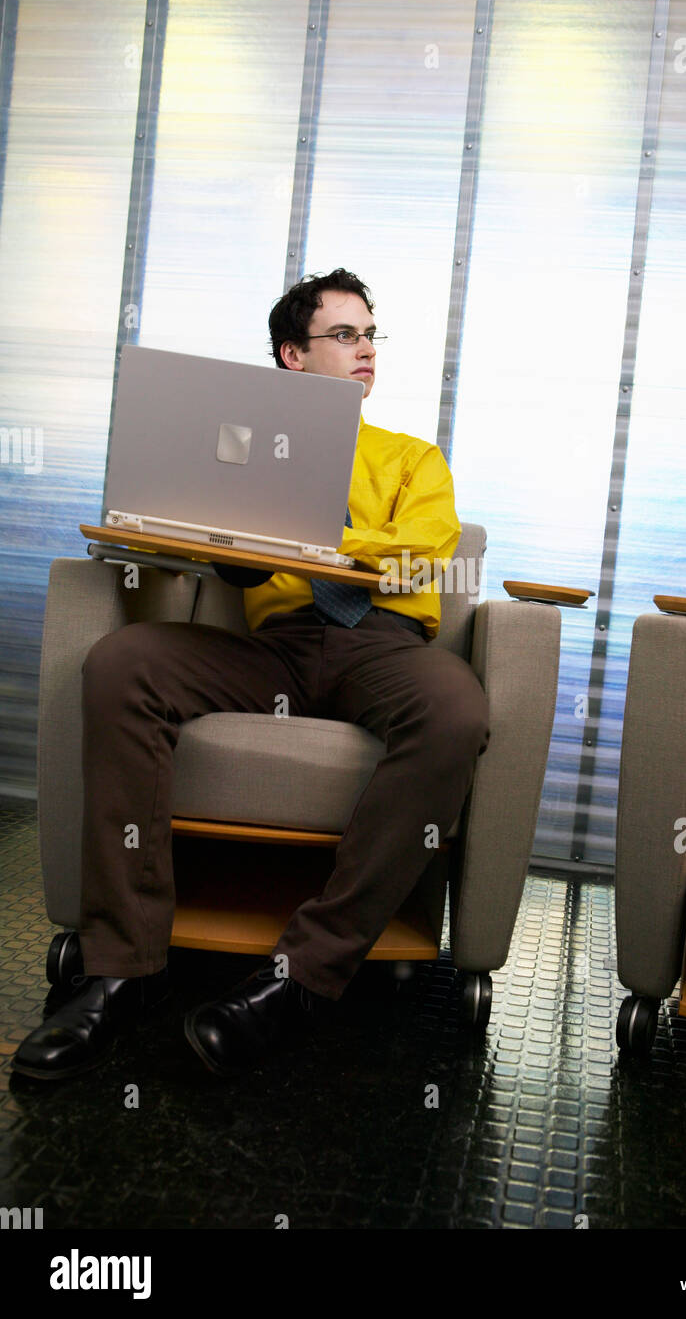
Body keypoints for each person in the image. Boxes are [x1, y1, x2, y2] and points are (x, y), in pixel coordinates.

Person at [12, 268, 490, 1081]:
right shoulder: (238, 451)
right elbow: (219, 559)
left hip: (381, 647)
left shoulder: (414, 459)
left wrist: (316, 539)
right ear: (292, 356)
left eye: (370, 333)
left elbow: (420, 554)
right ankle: (121, 968)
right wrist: (208, 540)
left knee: (455, 710)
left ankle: (303, 977)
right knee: (123, 663)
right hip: (274, 648)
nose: (365, 348)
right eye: (344, 335)